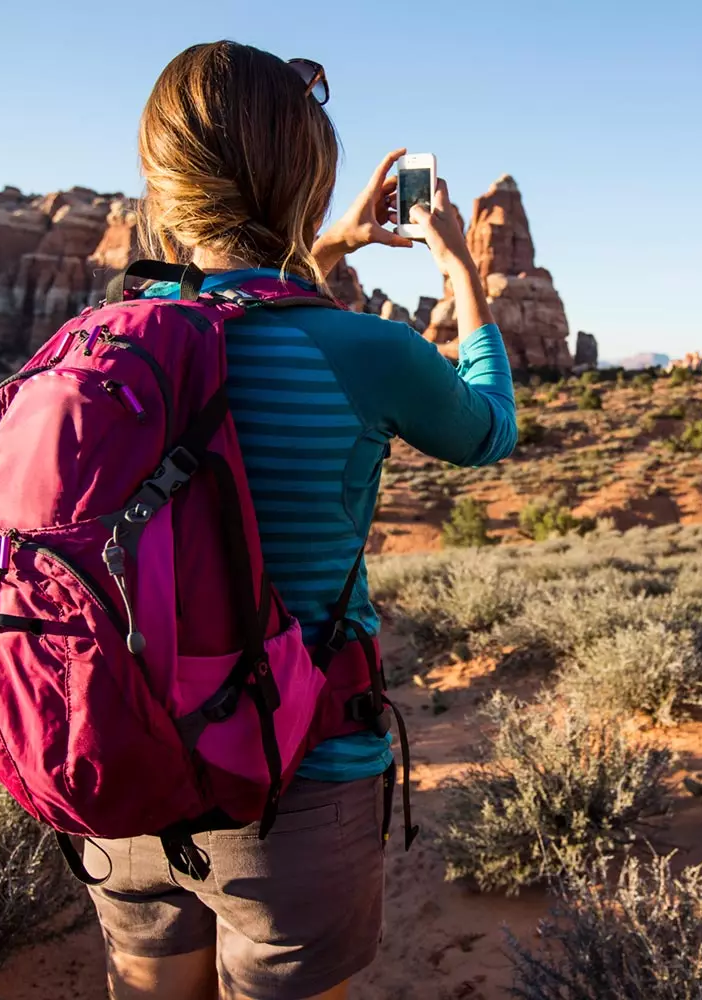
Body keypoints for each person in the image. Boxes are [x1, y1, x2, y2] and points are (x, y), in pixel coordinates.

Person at [82, 40, 516, 1000]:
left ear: (161, 178)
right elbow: (489, 430)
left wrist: (330, 248)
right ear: (310, 177)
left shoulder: (114, 343)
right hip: (293, 776)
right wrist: (463, 276)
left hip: (123, 766)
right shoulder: (365, 351)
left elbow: (227, 309)